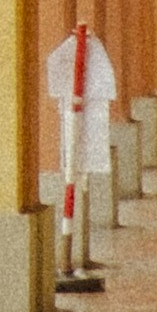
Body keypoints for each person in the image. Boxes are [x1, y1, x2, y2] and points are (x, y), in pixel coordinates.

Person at [44, 15, 118, 285]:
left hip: (79, 109)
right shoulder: (69, 54)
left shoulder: (87, 52)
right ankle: (64, 260)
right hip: (72, 111)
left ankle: (68, 259)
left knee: (76, 179)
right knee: (71, 176)